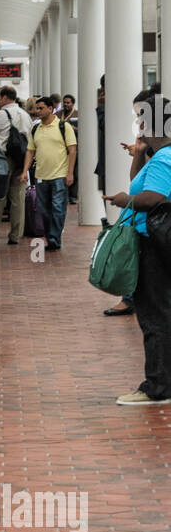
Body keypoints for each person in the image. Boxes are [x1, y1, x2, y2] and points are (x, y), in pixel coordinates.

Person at [103, 93, 171, 405]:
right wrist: (139, 152)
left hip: (152, 243)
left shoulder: (166, 158)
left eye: (142, 119)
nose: (139, 125)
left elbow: (151, 197)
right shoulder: (158, 156)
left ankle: (157, 387)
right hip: (152, 240)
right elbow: (137, 182)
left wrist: (121, 201)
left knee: (154, 315)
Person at [20, 97, 77, 250]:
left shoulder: (63, 126)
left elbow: (72, 150)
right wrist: (25, 171)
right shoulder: (35, 129)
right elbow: (30, 151)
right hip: (41, 176)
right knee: (43, 210)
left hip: (59, 175)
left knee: (58, 208)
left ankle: (54, 239)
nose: (38, 111)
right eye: (37, 108)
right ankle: (50, 236)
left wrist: (70, 173)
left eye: (41, 108)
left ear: (50, 108)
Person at [0, 86, 32, 246]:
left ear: (4, 97)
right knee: (18, 198)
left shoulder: (1, 115)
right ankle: (16, 235)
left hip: (3, 159)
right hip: (23, 159)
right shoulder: (25, 115)